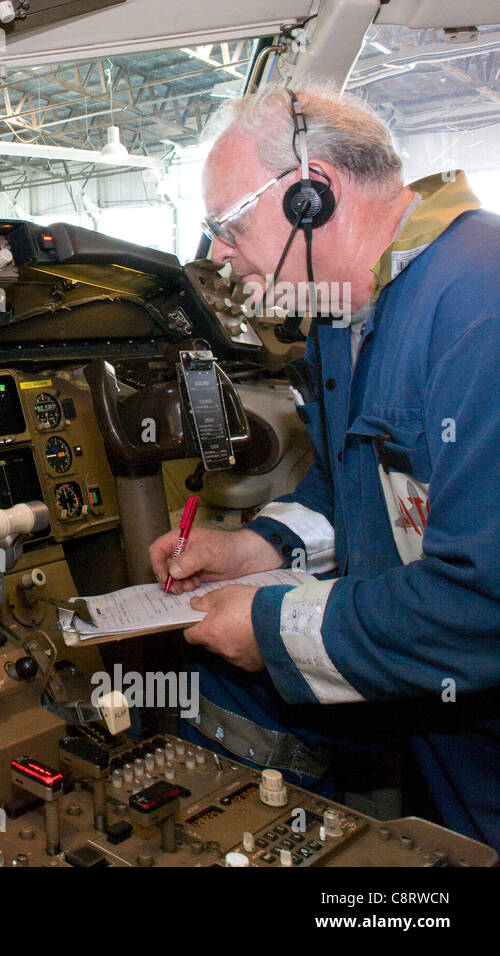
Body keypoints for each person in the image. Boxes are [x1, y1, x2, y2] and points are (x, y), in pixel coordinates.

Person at [148, 84, 500, 850]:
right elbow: (347, 491)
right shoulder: (341, 315)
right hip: (422, 683)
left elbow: (482, 606)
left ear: (314, 194)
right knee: (208, 679)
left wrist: (272, 626)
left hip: (478, 716)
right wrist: (254, 550)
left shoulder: (481, 307)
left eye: (228, 226)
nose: (216, 256)